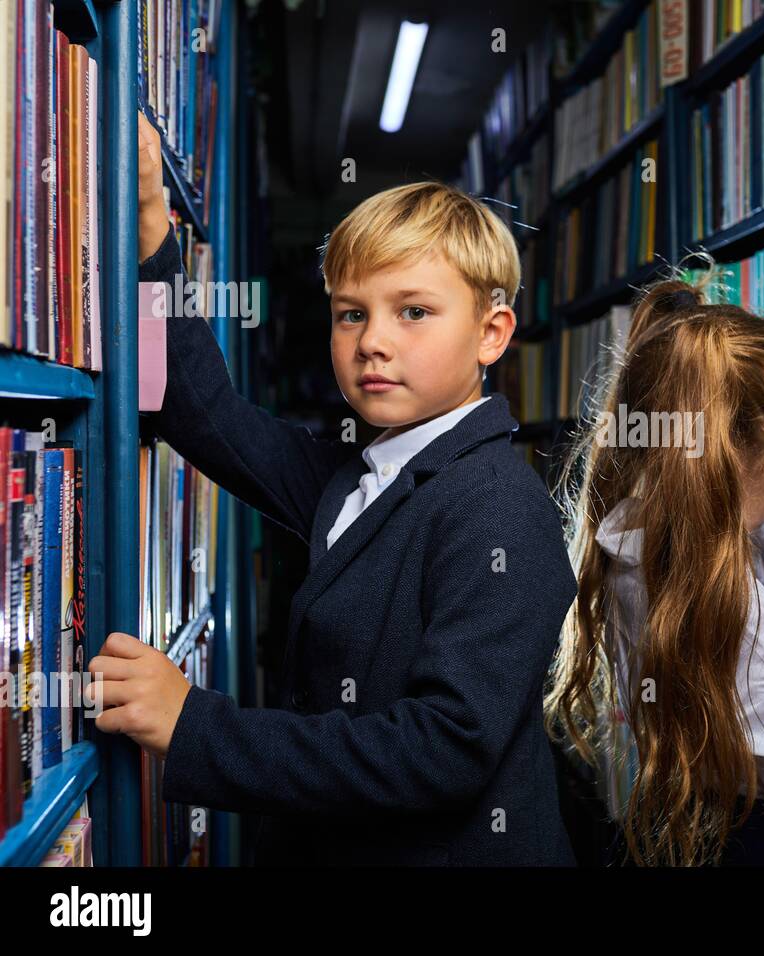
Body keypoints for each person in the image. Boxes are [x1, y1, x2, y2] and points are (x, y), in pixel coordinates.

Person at [86, 115, 577, 865]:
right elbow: (199, 410)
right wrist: (154, 230)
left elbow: (443, 750)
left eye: (413, 312)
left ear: (492, 333)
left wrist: (197, 725)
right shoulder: (358, 474)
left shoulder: (501, 509)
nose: (372, 340)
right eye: (351, 313)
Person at [546, 275, 764, 866]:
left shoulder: (625, 540)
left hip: (671, 829)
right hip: (757, 846)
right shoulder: (740, 614)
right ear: (731, 463)